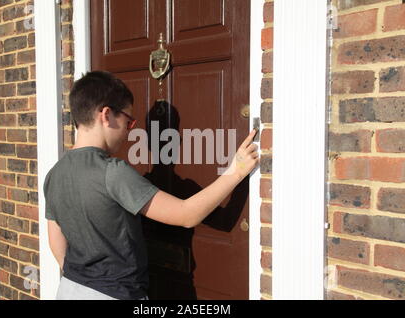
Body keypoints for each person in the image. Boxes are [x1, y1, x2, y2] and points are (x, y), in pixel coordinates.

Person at [44, 71, 259, 300]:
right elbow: (186, 215)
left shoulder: (54, 174)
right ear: (106, 115)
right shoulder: (112, 172)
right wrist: (236, 171)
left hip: (69, 290)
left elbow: (56, 243)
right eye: (128, 121)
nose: (129, 131)